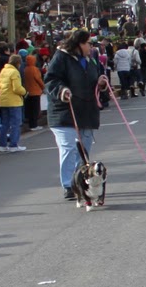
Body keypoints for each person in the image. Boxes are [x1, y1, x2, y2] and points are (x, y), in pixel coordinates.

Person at [44, 29, 109, 200]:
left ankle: (79, 182)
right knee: (69, 148)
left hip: (86, 112)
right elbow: (51, 80)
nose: (91, 46)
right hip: (64, 112)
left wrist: (100, 83)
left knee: (84, 152)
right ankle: (68, 185)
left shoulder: (90, 60)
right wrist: (62, 90)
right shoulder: (61, 58)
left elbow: (93, 79)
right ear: (79, 44)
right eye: (88, 43)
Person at [0, 54, 27, 152]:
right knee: (15, 123)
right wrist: (24, 91)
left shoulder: (3, 71)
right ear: (18, 63)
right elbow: (17, 88)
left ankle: (2, 145)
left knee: (4, 123)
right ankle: (13, 145)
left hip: (3, 100)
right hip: (14, 101)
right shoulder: (14, 72)